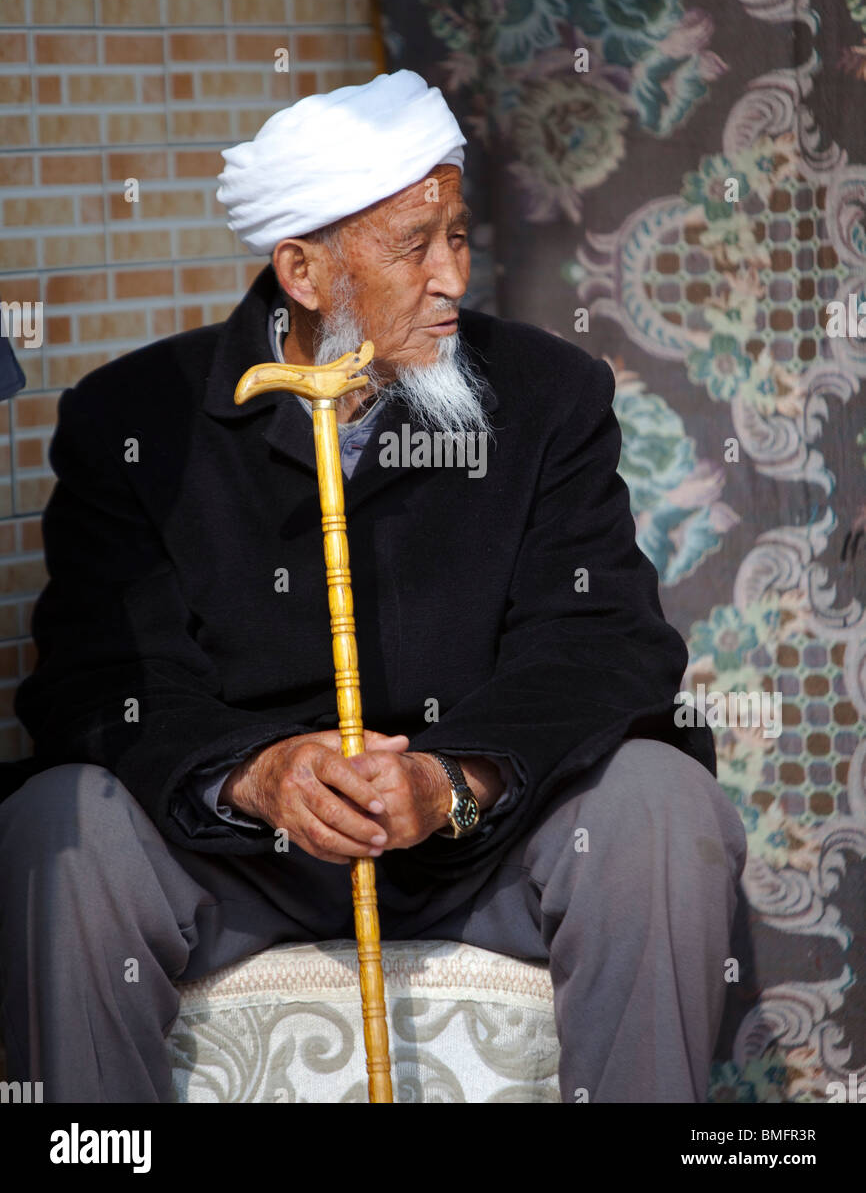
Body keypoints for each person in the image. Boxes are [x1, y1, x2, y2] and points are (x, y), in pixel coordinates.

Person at [0, 70, 746, 1104]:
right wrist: (259, 777)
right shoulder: (135, 422)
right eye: (413, 246)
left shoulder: (543, 395)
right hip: (236, 859)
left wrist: (448, 781)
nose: (450, 277)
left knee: (661, 803)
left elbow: (603, 642)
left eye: (459, 237)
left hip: (480, 850)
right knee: (56, 823)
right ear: (302, 270)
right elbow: (96, 682)